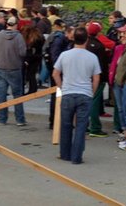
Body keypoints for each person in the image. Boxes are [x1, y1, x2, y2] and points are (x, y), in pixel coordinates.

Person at [53, 27, 100, 165]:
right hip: (84, 93)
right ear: (86, 39)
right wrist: (92, 92)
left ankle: (65, 154)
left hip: (68, 93)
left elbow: (55, 73)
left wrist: (62, 87)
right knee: (81, 126)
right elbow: (96, 78)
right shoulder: (92, 57)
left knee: (66, 125)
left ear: (73, 39)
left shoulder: (65, 55)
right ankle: (77, 157)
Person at [0, 16, 27, 126]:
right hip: (15, 68)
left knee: (1, 95)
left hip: (0, 67)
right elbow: (23, 53)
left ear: (7, 24)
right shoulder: (19, 37)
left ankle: (2, 119)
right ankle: (20, 119)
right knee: (17, 95)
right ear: (16, 25)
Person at [22, 25, 44, 95]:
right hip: (38, 57)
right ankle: (33, 89)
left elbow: (31, 51)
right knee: (32, 74)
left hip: (33, 58)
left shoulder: (32, 40)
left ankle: (32, 90)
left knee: (30, 74)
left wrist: (27, 60)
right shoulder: (39, 37)